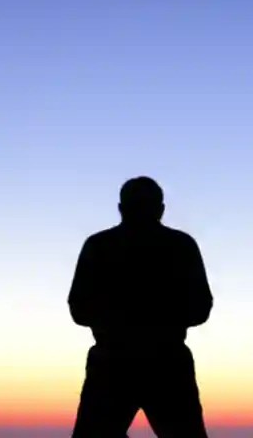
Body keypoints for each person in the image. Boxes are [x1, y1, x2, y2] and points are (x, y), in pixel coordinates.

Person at [69, 176, 213, 437]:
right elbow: (201, 307)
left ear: (121, 208)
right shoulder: (181, 245)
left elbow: (79, 308)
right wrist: (161, 323)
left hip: (115, 365)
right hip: (164, 364)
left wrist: (116, 324)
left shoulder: (99, 246)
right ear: (161, 209)